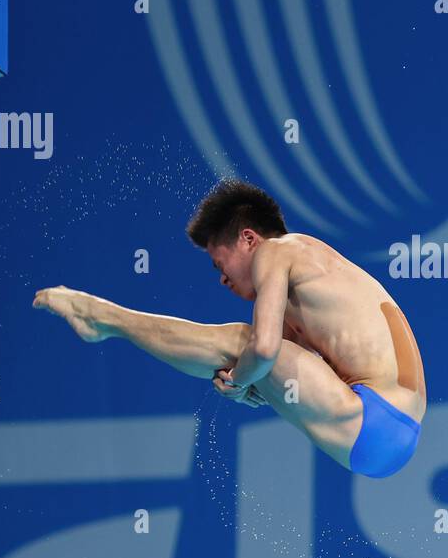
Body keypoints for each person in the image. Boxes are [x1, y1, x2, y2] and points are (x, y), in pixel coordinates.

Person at [33, 179, 425, 478]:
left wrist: (238, 382)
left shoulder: (277, 251)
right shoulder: (315, 276)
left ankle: (102, 317)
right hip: (395, 432)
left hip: (370, 417)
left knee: (241, 340)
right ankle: (104, 321)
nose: (222, 280)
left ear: (249, 239)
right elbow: (281, 366)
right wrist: (247, 381)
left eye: (220, 265)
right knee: (244, 349)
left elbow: (265, 350)